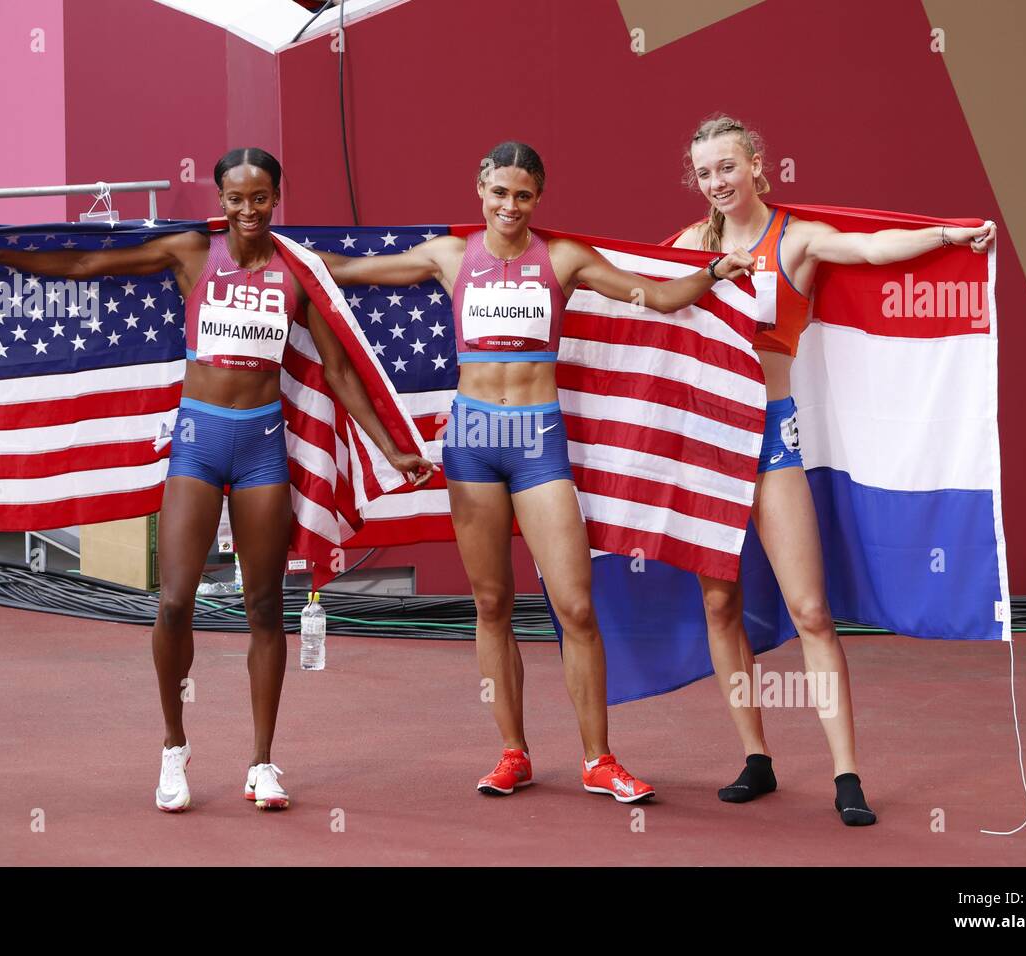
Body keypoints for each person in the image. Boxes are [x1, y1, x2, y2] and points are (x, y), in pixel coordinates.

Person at [0, 148, 432, 814]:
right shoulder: (190, 252)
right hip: (199, 446)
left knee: (265, 608)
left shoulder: (298, 274)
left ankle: (263, 762)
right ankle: (173, 748)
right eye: (235, 197)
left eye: (259, 197)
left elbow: (340, 372)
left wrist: (392, 449)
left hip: (264, 448)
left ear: (276, 199)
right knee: (174, 600)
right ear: (220, 198)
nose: (246, 209)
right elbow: (90, 263)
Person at [317, 141, 755, 802]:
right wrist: (268, 251)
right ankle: (512, 752)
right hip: (471, 440)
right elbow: (350, 271)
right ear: (480, 189)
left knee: (576, 605)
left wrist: (717, 270)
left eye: (522, 196)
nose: (509, 207)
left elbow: (660, 297)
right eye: (499, 193)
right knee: (491, 602)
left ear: (537, 198)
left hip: (537, 438)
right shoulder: (451, 255)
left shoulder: (564, 258)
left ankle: (598, 759)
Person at [672, 115, 996, 825]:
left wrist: (945, 236)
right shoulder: (689, 246)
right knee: (721, 606)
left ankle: (847, 774)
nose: (717, 182)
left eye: (728, 166)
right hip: (707, 441)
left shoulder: (796, 238)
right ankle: (755, 758)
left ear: (758, 164)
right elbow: (628, 290)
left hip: (769, 435)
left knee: (810, 610)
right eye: (704, 173)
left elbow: (873, 249)